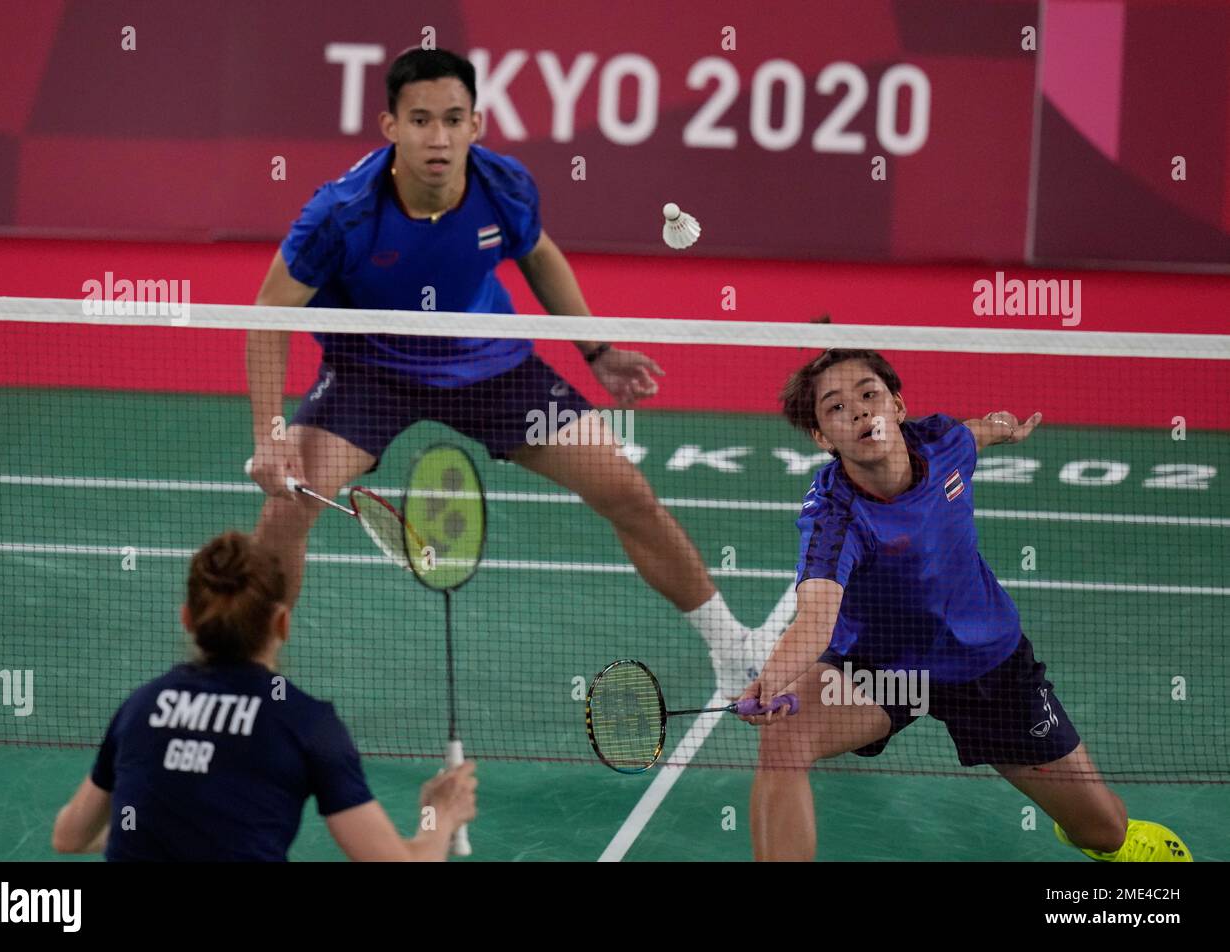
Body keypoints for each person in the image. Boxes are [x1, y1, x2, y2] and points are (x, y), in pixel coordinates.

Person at [247, 47, 778, 695]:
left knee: (625, 491)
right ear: (390, 126)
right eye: (420, 120)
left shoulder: (504, 186)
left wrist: (597, 351)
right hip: (371, 371)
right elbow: (268, 315)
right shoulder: (340, 213)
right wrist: (271, 433)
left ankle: (731, 646)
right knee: (287, 508)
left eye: (453, 119)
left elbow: (539, 254)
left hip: (492, 365)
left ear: (476, 124)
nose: (438, 138)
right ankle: (251, 673)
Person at [742, 348, 1192, 863]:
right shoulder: (833, 518)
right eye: (837, 408)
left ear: (897, 406)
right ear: (822, 437)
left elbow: (974, 433)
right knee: (784, 741)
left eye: (869, 394)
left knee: (1104, 830)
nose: (861, 411)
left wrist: (1002, 428)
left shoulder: (942, 442)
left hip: (986, 665)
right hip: (883, 670)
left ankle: (1095, 832)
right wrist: (772, 681)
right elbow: (816, 617)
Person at [52, 531, 476, 861]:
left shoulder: (142, 707)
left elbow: (69, 836)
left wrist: (161, 820)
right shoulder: (306, 724)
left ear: (187, 619)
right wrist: (438, 814)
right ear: (282, 623)